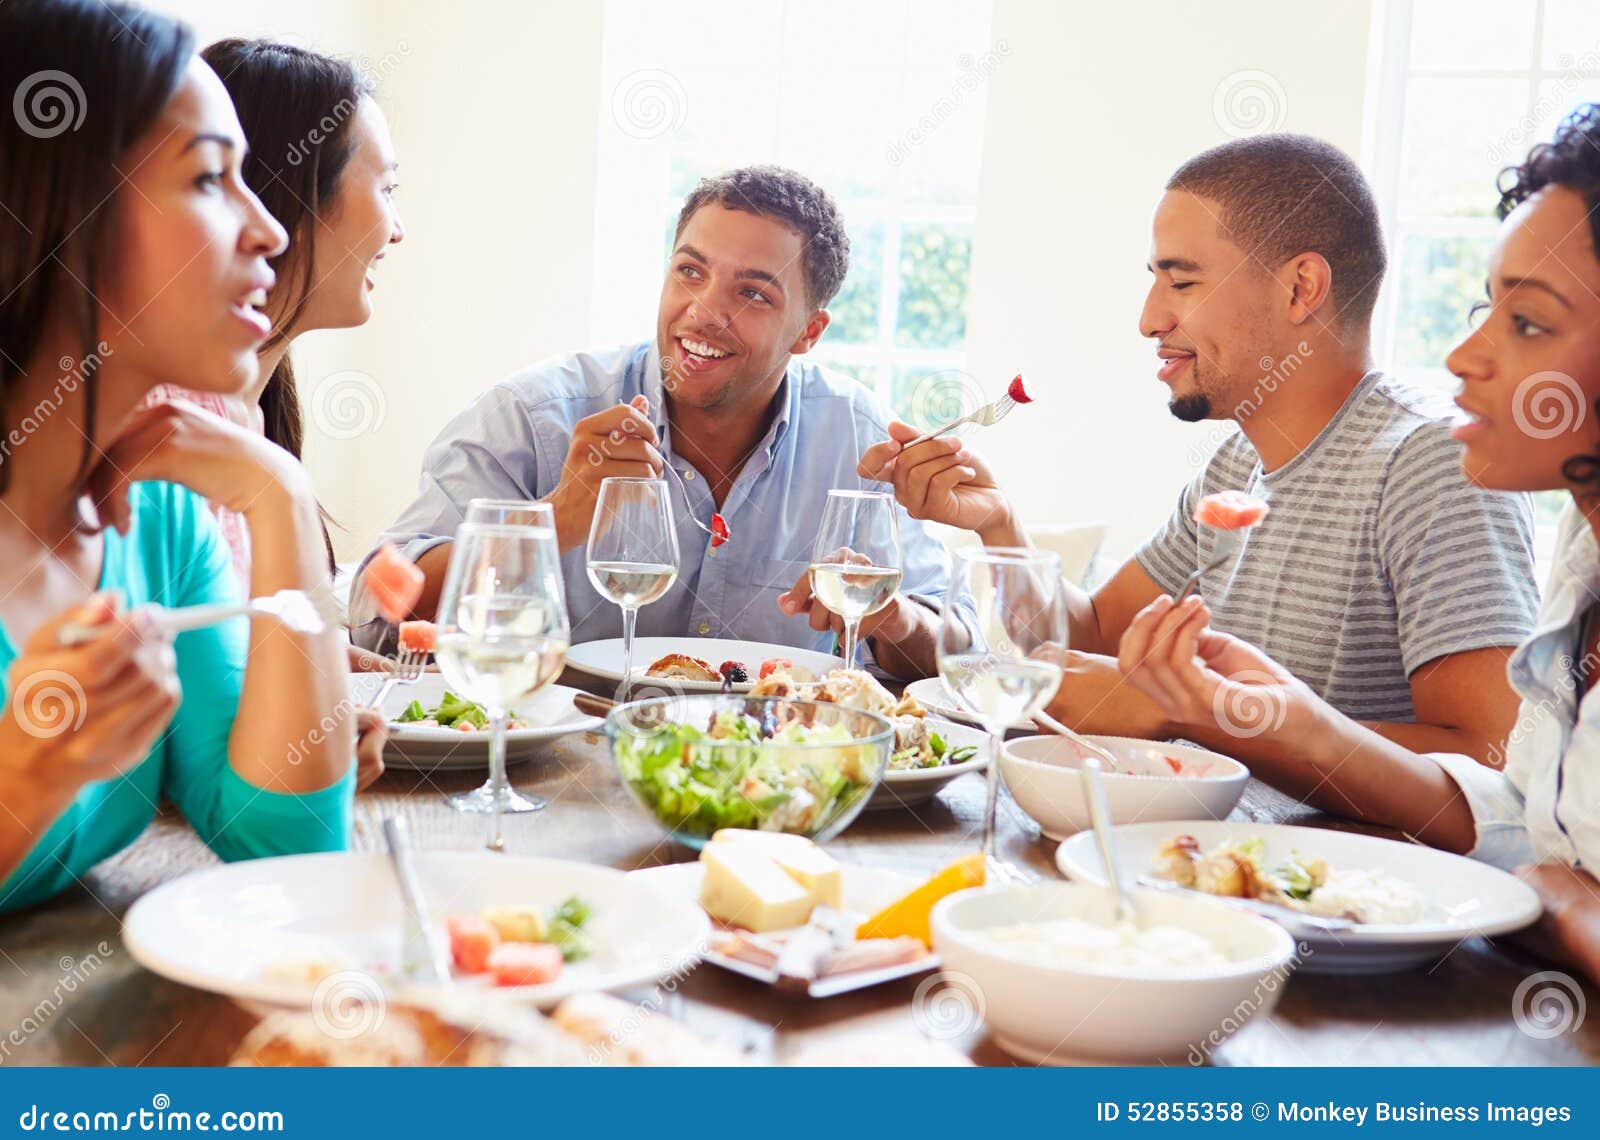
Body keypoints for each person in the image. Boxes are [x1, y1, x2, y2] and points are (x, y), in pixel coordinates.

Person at [861, 134, 1539, 765]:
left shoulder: (1429, 462)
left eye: (1181, 282)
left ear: (1300, 287)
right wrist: (997, 525)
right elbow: (1090, 636)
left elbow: (1487, 757)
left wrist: (1189, 715)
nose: (1149, 318)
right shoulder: (1235, 466)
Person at [1116, 108, 1600, 984]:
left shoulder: (1421, 460)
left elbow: (1518, 819)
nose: (1462, 355)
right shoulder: (1583, 561)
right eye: (1482, 310)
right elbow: (1515, 811)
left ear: (1301, 288)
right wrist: (1290, 723)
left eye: (1526, 323)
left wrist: (1566, 910)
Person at [0, 0, 354, 912]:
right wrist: (20, 784)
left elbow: (288, 844)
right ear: (59, 205)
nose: (268, 229)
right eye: (208, 179)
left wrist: (278, 493)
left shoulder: (157, 520)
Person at [351, 166, 965, 677]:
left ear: (809, 332)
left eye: (753, 293)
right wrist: (554, 521)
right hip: (552, 775)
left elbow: (958, 657)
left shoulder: (858, 440)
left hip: (771, 784)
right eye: (690, 271)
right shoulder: (537, 416)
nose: (704, 313)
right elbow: (379, 605)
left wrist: (889, 616)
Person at [143, 38, 407, 789]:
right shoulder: (171, 433)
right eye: (387, 188)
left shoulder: (251, 412)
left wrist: (306, 670)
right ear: (291, 194)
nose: (396, 231)